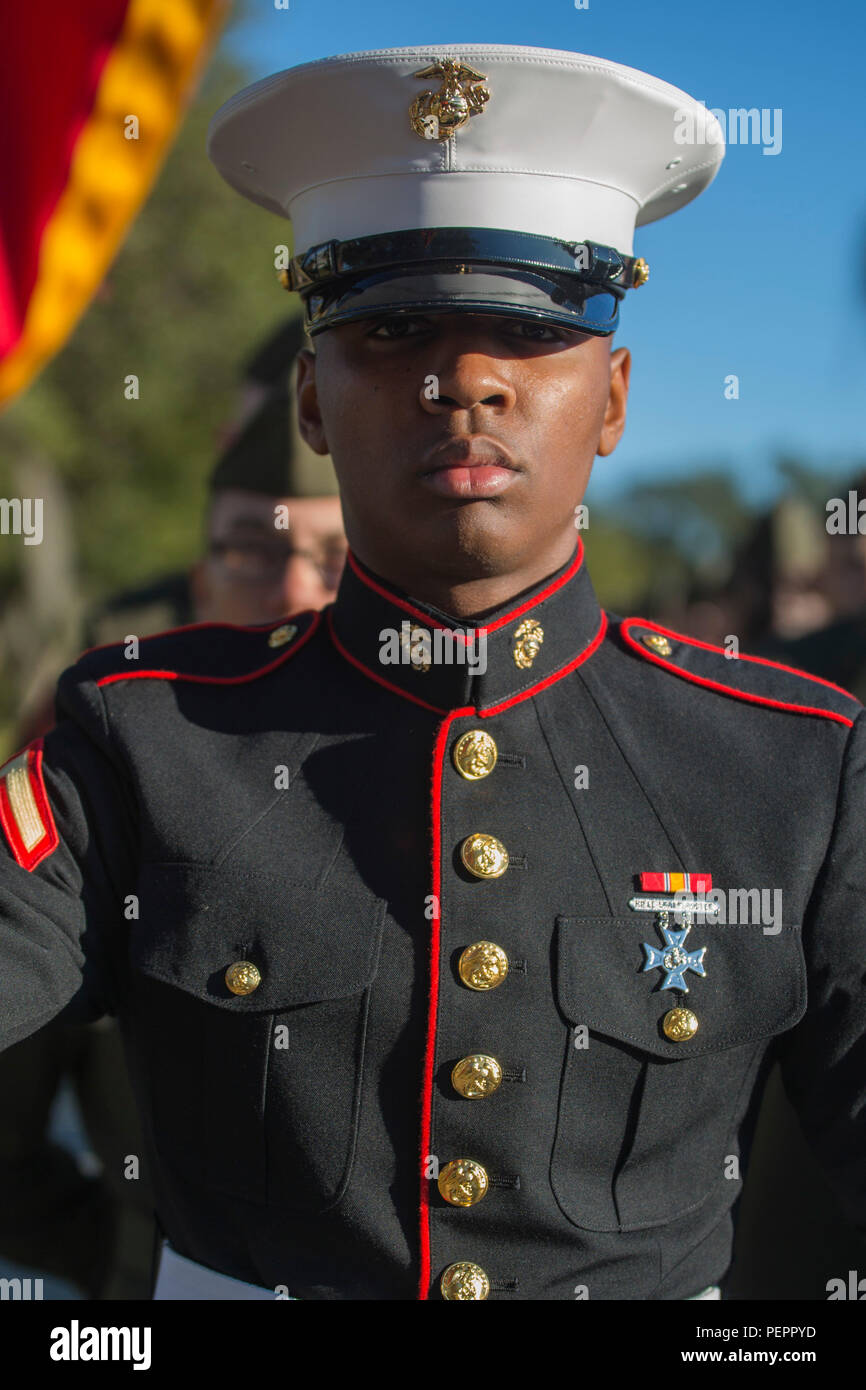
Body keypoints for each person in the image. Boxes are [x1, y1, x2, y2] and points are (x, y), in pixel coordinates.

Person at [0, 44, 863, 1303]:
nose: (463, 381)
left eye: (527, 328)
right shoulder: (141, 736)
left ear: (612, 397)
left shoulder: (794, 764)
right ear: (309, 397)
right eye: (392, 328)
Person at [0, 321, 344, 1299]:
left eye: (331, 559)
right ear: (200, 569)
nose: (289, 592)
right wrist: (120, 1262)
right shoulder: (109, 723)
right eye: (249, 551)